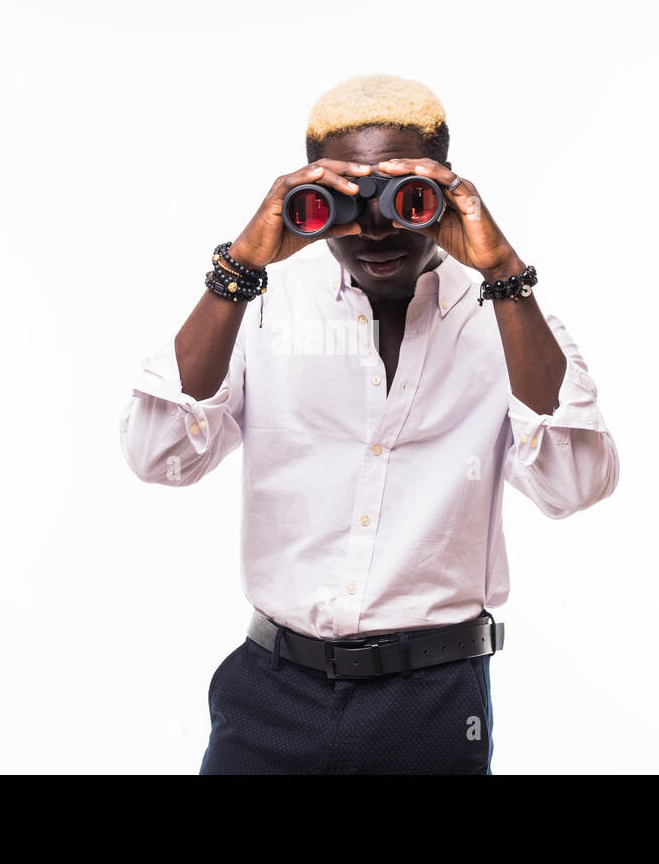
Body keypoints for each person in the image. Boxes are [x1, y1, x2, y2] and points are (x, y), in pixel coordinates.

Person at [119, 73, 620, 774]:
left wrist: (503, 269)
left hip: (433, 705)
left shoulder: (504, 320)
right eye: (348, 201)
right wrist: (240, 266)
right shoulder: (266, 310)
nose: (378, 227)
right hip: (271, 693)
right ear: (309, 200)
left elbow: (574, 485)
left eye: (406, 198)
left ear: (446, 191)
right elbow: (158, 454)